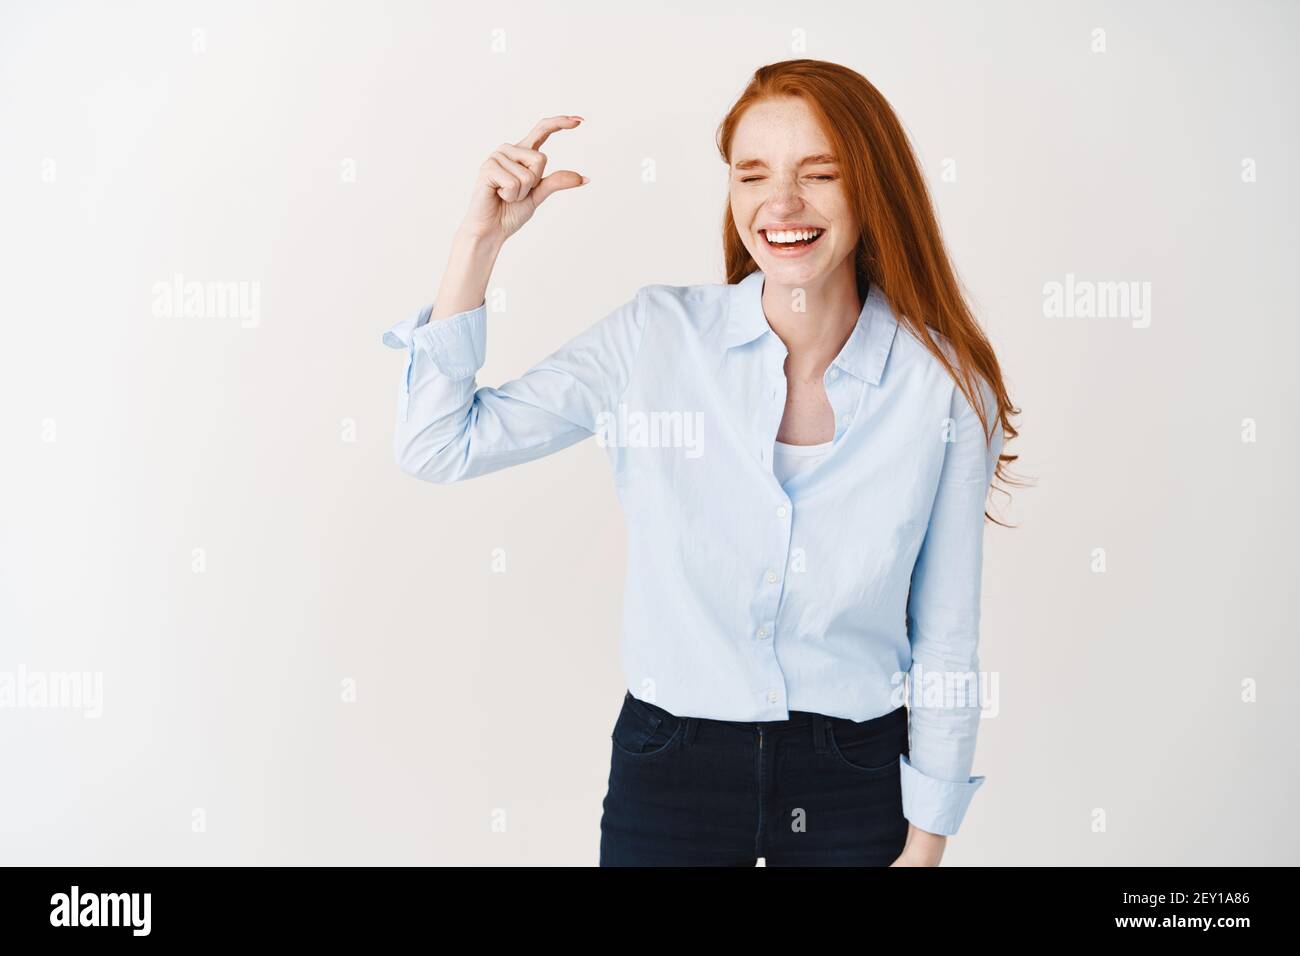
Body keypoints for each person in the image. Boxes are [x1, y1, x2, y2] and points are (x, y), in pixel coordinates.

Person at [382, 58, 1020, 866]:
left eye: (819, 173)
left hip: (854, 779)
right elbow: (439, 443)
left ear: (873, 189)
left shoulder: (944, 388)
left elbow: (947, 635)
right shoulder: (655, 338)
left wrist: (926, 844)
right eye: (752, 175)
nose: (780, 203)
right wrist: (480, 240)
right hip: (670, 774)